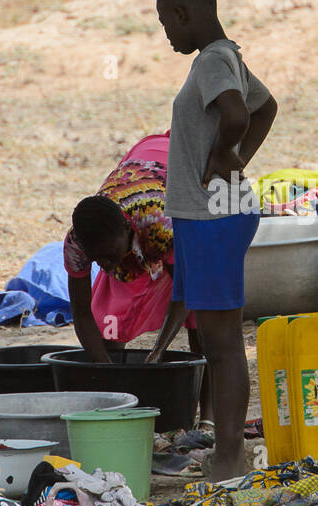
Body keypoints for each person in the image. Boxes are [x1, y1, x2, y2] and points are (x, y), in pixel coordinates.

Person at [147, 0, 278, 481]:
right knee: (219, 341)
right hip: (213, 213)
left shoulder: (213, 62)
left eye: (165, 24)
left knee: (223, 346)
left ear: (185, 14)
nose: (167, 36)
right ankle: (227, 451)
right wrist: (236, 158)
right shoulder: (226, 56)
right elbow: (267, 107)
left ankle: (229, 458)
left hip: (212, 215)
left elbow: (238, 113)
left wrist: (227, 153)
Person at [63, 131, 212, 428]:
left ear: (127, 230)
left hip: (179, 165)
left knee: (201, 318)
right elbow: (81, 312)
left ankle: (206, 418)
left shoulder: (158, 223)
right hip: (138, 164)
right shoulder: (78, 244)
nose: (104, 264)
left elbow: (184, 291)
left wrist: (158, 351)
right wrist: (105, 371)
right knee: (109, 319)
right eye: (97, 259)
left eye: (107, 255)